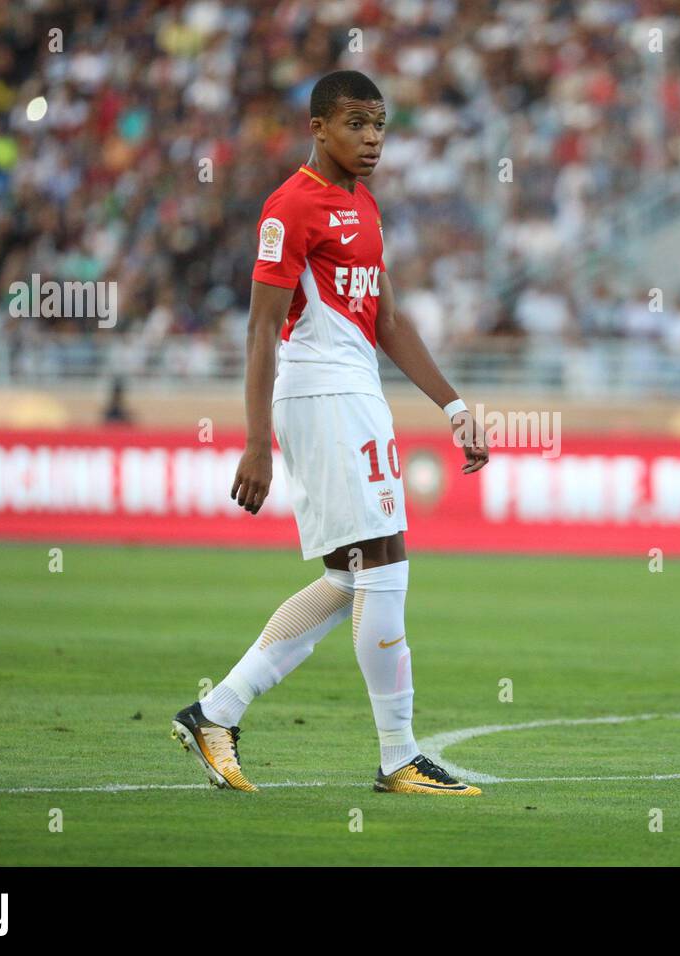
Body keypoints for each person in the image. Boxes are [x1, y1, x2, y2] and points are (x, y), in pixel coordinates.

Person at [170, 70, 488, 795]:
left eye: (380, 124)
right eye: (355, 123)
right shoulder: (290, 208)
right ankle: (398, 756)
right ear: (318, 128)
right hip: (321, 398)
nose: (372, 138)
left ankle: (215, 711)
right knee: (385, 563)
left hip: (357, 396)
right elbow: (259, 329)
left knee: (350, 578)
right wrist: (254, 442)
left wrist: (453, 404)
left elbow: (388, 323)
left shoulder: (365, 205)